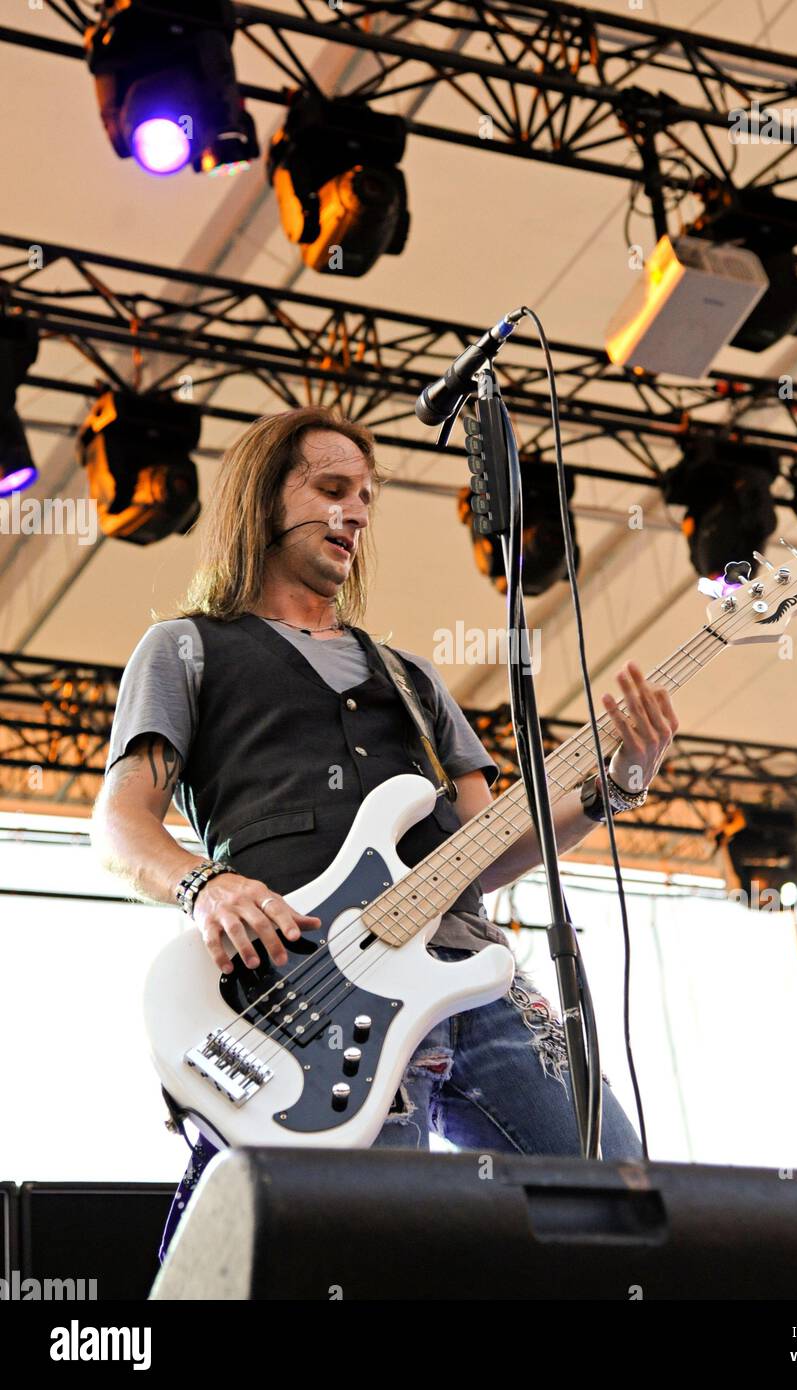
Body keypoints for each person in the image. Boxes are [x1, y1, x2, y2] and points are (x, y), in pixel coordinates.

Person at [91, 406, 678, 1262]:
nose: (355, 512)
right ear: (262, 500)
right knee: (367, 1255)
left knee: (626, 1208)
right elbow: (119, 823)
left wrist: (616, 783)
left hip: (470, 971)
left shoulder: (410, 677)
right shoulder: (183, 649)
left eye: (365, 497)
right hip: (309, 991)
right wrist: (202, 885)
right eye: (331, 489)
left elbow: (490, 844)